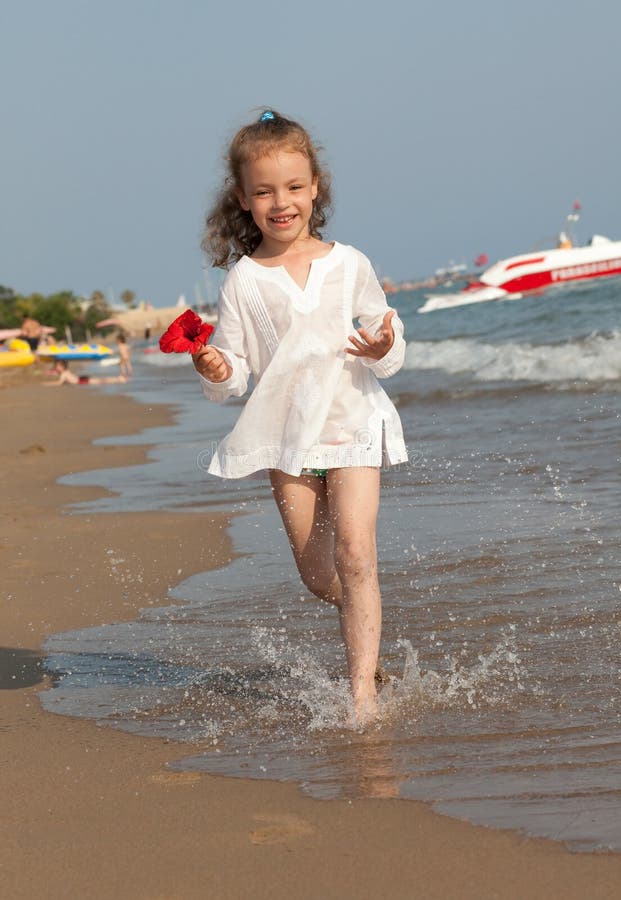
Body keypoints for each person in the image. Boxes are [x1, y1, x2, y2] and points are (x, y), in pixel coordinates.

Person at [192, 109, 407, 725]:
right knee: (320, 575)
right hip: (285, 439)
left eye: (292, 187)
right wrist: (216, 368)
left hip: (352, 420)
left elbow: (387, 331)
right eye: (263, 191)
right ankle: (361, 619)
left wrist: (383, 346)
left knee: (356, 552)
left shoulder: (350, 264)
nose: (280, 202)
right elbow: (233, 370)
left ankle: (361, 690)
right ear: (243, 199)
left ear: (316, 186)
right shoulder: (243, 282)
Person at [44, 359, 127, 386]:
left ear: (62, 367)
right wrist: (50, 372)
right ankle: (119, 378)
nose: (56, 368)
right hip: (81, 379)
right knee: (101, 380)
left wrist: (48, 383)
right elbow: (58, 375)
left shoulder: (64, 374)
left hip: (82, 381)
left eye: (57, 367)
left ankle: (119, 379)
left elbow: (59, 382)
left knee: (101, 381)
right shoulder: (65, 372)